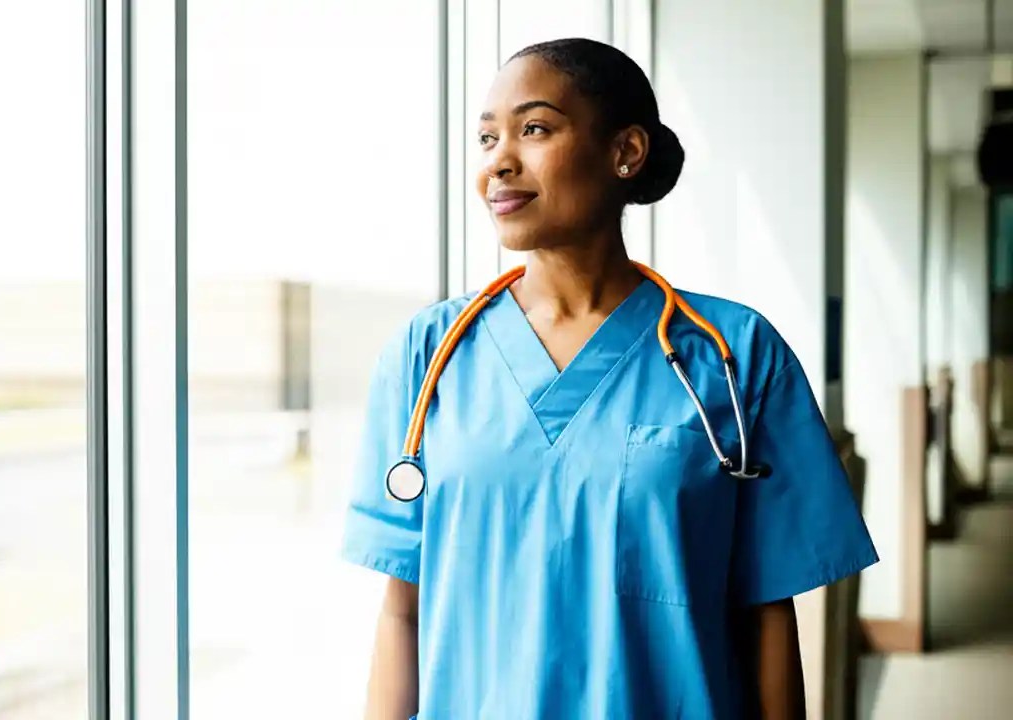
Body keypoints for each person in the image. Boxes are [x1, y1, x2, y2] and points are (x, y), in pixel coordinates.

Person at [340, 38, 878, 719]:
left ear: (625, 151)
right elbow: (402, 612)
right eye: (486, 137)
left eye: (534, 129)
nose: (498, 161)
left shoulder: (733, 353)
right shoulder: (429, 355)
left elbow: (768, 611)